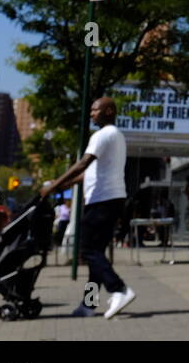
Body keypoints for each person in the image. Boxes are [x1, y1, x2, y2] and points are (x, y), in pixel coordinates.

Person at [40, 96, 136, 319]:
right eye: (91, 110)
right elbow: (88, 172)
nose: (92, 113)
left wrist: (52, 186)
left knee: (87, 251)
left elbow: (83, 163)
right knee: (96, 254)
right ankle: (89, 304)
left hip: (102, 201)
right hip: (111, 199)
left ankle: (119, 289)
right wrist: (64, 184)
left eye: (95, 110)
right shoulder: (116, 136)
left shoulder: (103, 135)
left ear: (109, 111)